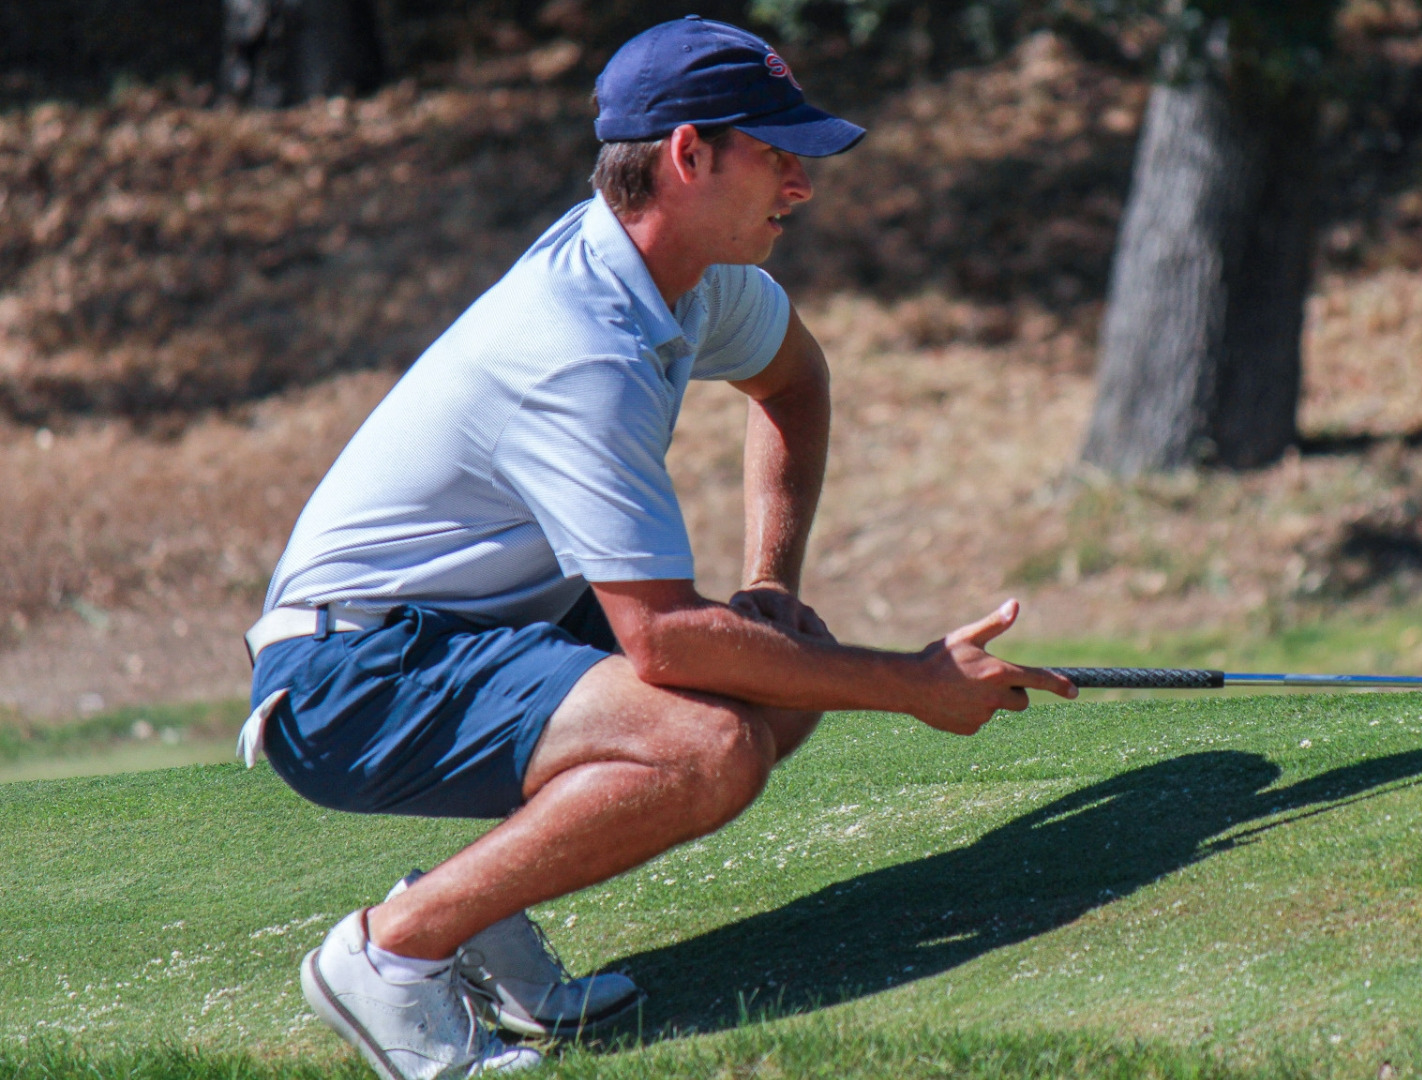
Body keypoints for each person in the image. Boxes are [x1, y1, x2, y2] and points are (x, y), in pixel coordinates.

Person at [239, 15, 1077, 1079]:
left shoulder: (691, 273)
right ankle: (390, 954)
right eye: (777, 156)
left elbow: (793, 382)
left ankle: (472, 919)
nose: (801, 186)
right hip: (348, 675)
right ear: (689, 156)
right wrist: (915, 683)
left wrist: (770, 583)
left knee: (781, 674)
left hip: (481, 626)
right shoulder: (578, 346)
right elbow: (671, 642)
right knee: (709, 747)